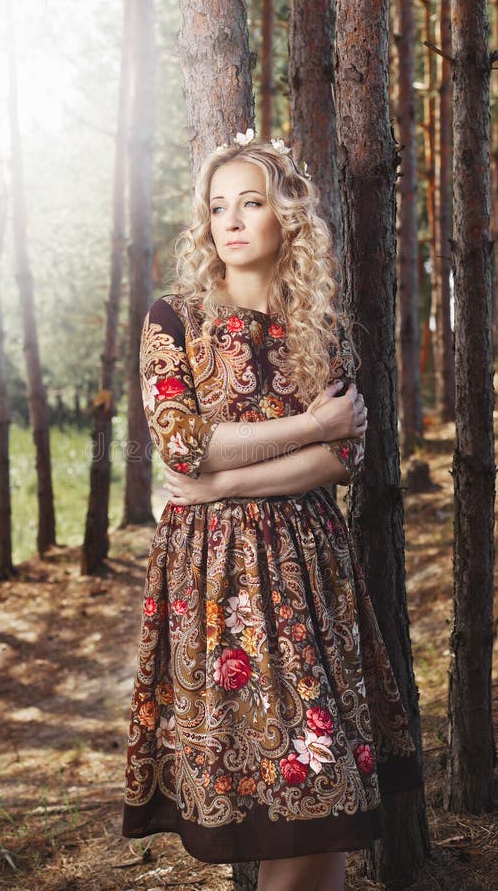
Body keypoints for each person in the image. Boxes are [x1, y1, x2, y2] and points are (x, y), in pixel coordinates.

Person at [122, 134, 421, 890]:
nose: (231, 220)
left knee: (324, 784)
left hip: (309, 570)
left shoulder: (318, 324)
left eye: (250, 203)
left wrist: (226, 482)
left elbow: (342, 458)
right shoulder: (175, 318)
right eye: (218, 206)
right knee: (264, 777)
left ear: (285, 216)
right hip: (213, 575)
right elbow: (184, 445)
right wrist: (310, 425)